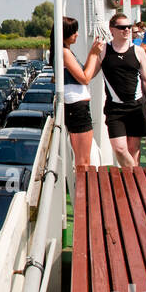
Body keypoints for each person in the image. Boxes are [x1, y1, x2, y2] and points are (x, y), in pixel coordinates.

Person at [81, 14, 146, 168]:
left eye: (129, 27)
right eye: (122, 27)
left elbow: (145, 79)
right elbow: (88, 75)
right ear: (112, 29)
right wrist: (93, 53)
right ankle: (137, 176)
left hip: (137, 106)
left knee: (133, 149)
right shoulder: (104, 51)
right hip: (115, 108)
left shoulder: (138, 51)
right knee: (120, 149)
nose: (127, 30)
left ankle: (133, 185)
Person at [55, 16, 96, 184]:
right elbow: (85, 78)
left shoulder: (64, 52)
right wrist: (94, 54)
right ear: (65, 33)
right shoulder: (65, 53)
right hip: (77, 108)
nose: (77, 35)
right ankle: (84, 199)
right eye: (74, 32)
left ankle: (84, 195)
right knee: (83, 161)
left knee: (82, 160)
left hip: (76, 106)